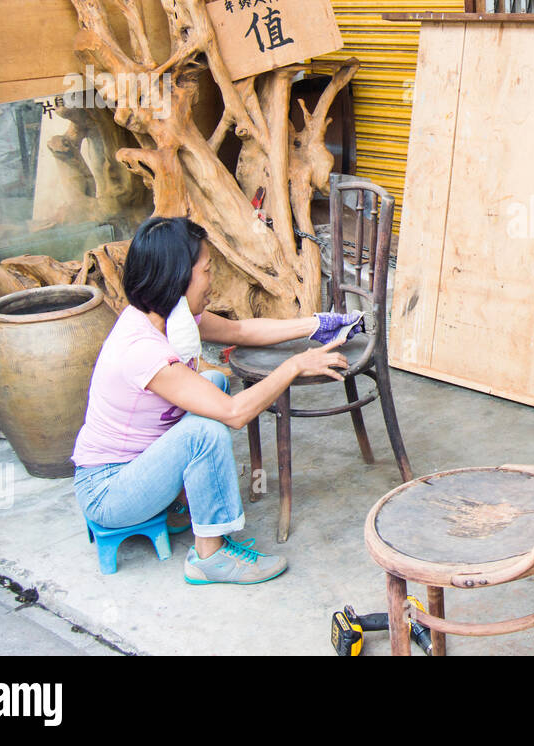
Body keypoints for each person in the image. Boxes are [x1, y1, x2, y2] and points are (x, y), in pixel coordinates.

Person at [72, 216, 364, 585]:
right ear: (179, 276)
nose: (213, 280)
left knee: (209, 381)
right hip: (109, 492)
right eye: (207, 270)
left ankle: (182, 503)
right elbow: (234, 414)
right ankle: (209, 557)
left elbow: (238, 330)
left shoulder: (163, 316)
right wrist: (295, 365)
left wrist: (316, 325)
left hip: (137, 468)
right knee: (204, 432)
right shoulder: (142, 350)